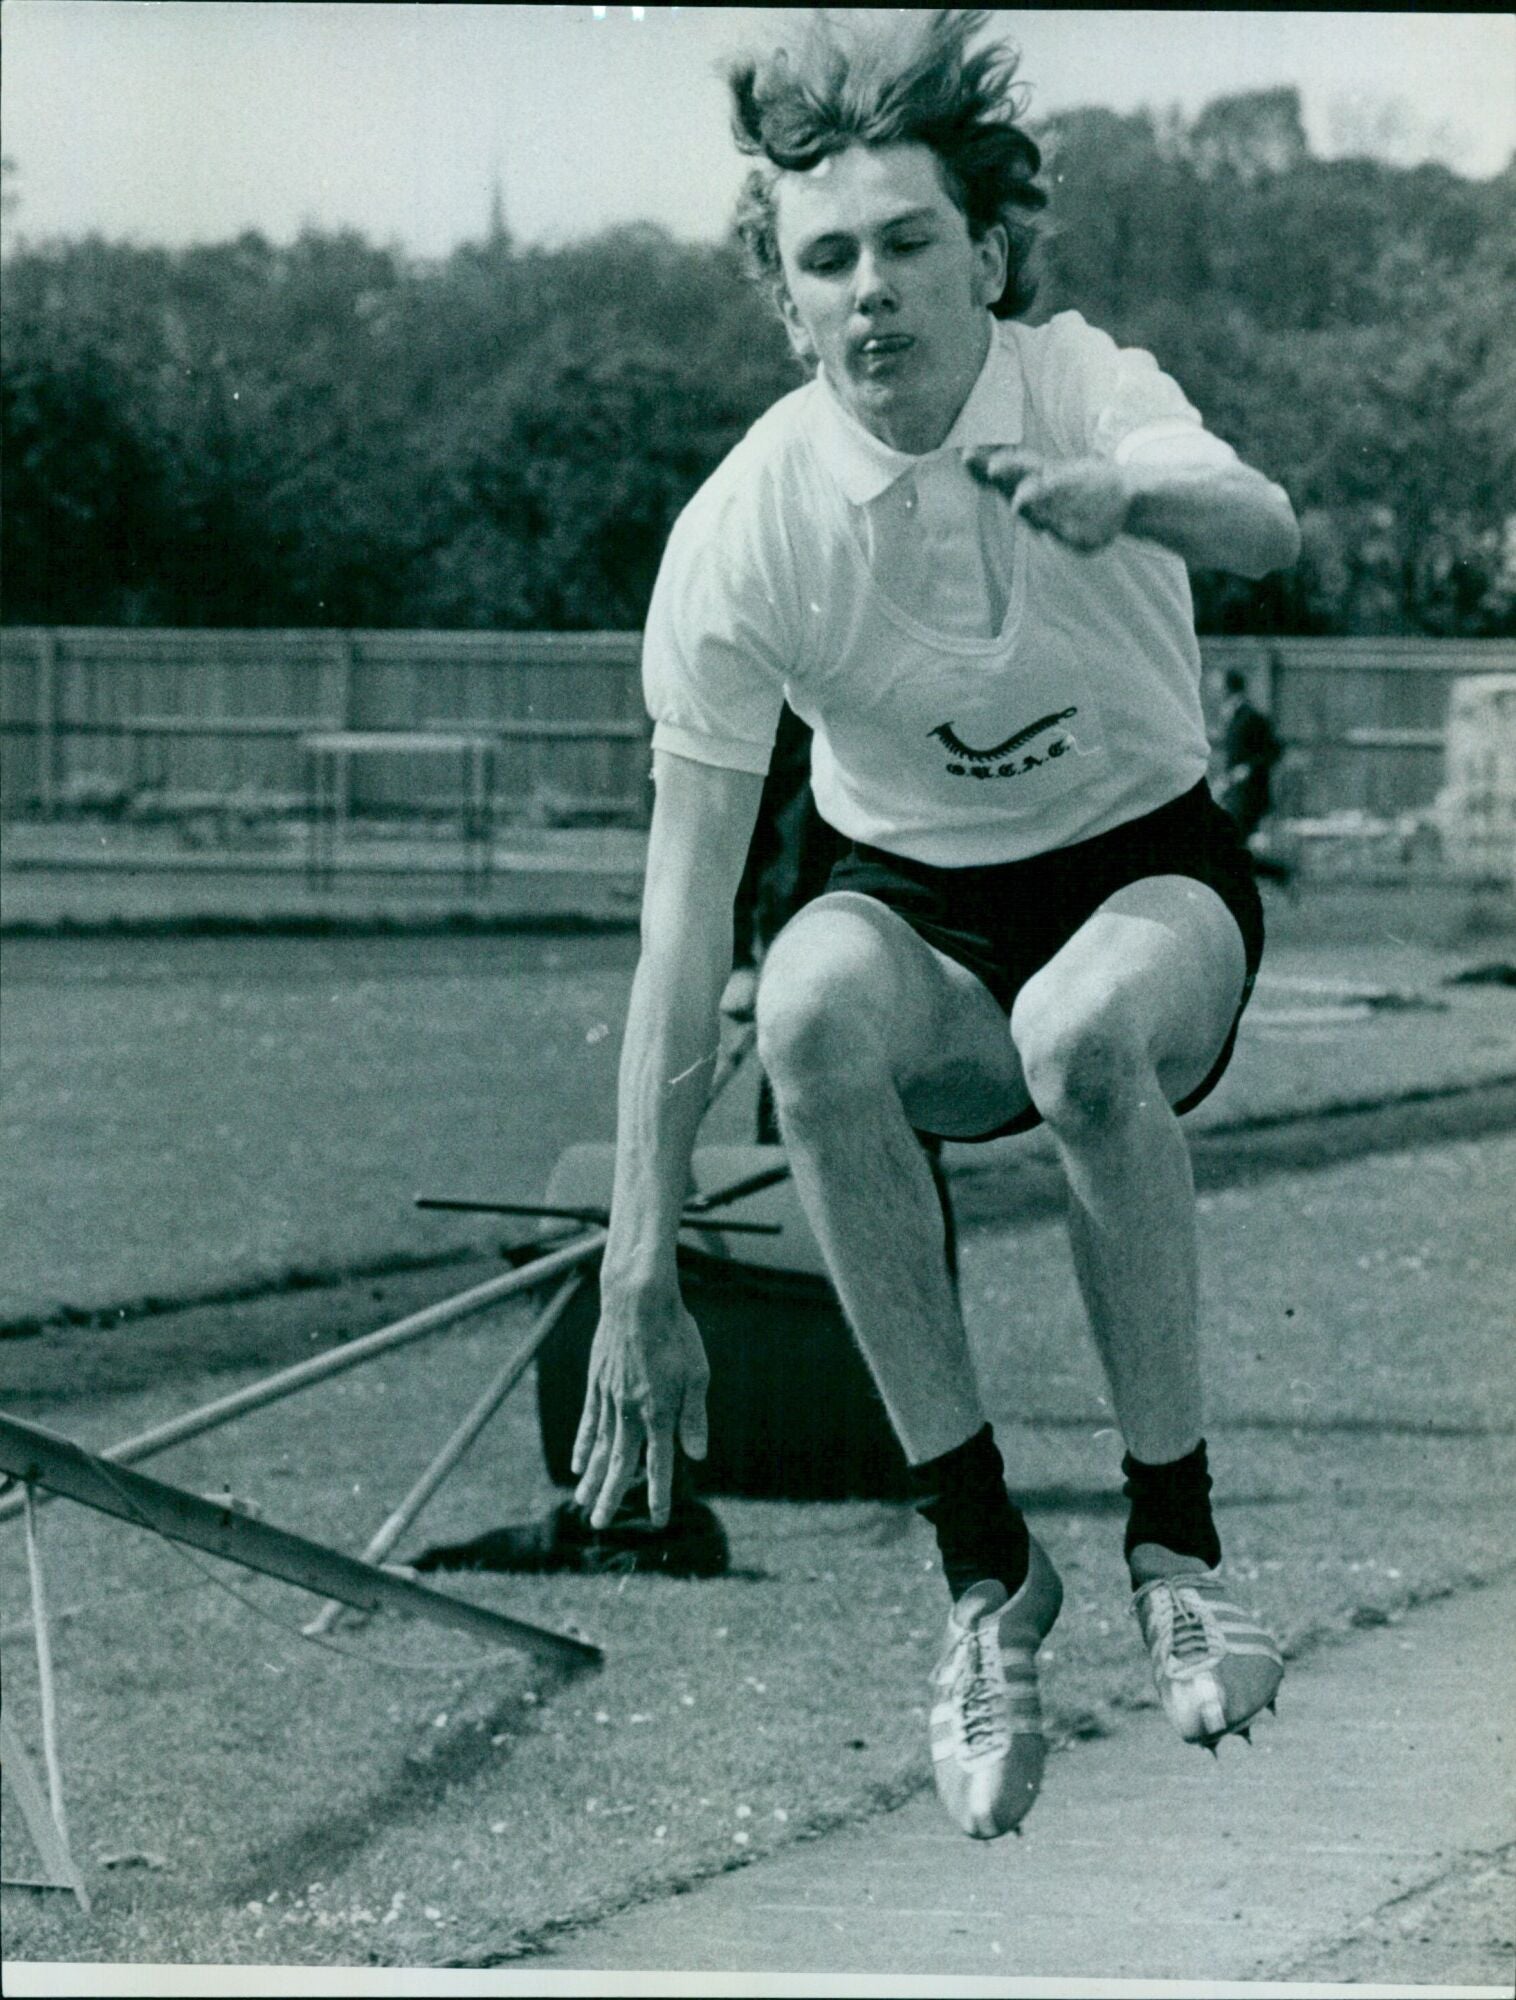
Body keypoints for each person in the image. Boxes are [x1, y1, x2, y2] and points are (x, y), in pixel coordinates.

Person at [571, 9, 1299, 1841]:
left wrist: (1132, 491)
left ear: (984, 252)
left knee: (1082, 1037)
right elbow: (680, 918)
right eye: (830, 261)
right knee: (801, 998)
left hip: (1144, 879)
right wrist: (636, 1259)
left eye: (909, 244)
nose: (874, 290)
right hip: (919, 926)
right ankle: (987, 1579)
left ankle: (1178, 1549)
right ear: (789, 301)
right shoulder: (748, 527)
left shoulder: (1073, 387)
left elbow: (1267, 521)